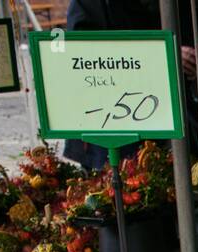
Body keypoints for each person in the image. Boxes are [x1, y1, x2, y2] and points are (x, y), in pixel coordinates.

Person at [65, 0, 162, 170]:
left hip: (145, 107)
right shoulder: (87, 5)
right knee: (108, 180)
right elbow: (83, 55)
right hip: (107, 113)